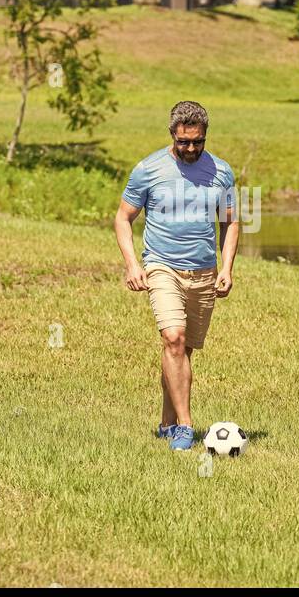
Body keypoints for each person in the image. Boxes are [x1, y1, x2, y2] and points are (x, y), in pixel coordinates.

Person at [114, 101, 241, 451]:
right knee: (173, 337)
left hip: (203, 271)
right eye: (184, 141)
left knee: (183, 349)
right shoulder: (148, 169)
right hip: (161, 265)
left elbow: (231, 221)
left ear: (205, 136)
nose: (190, 149)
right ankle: (186, 427)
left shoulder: (222, 171)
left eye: (197, 142)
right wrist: (132, 265)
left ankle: (167, 422)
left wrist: (227, 268)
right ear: (172, 134)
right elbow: (123, 218)